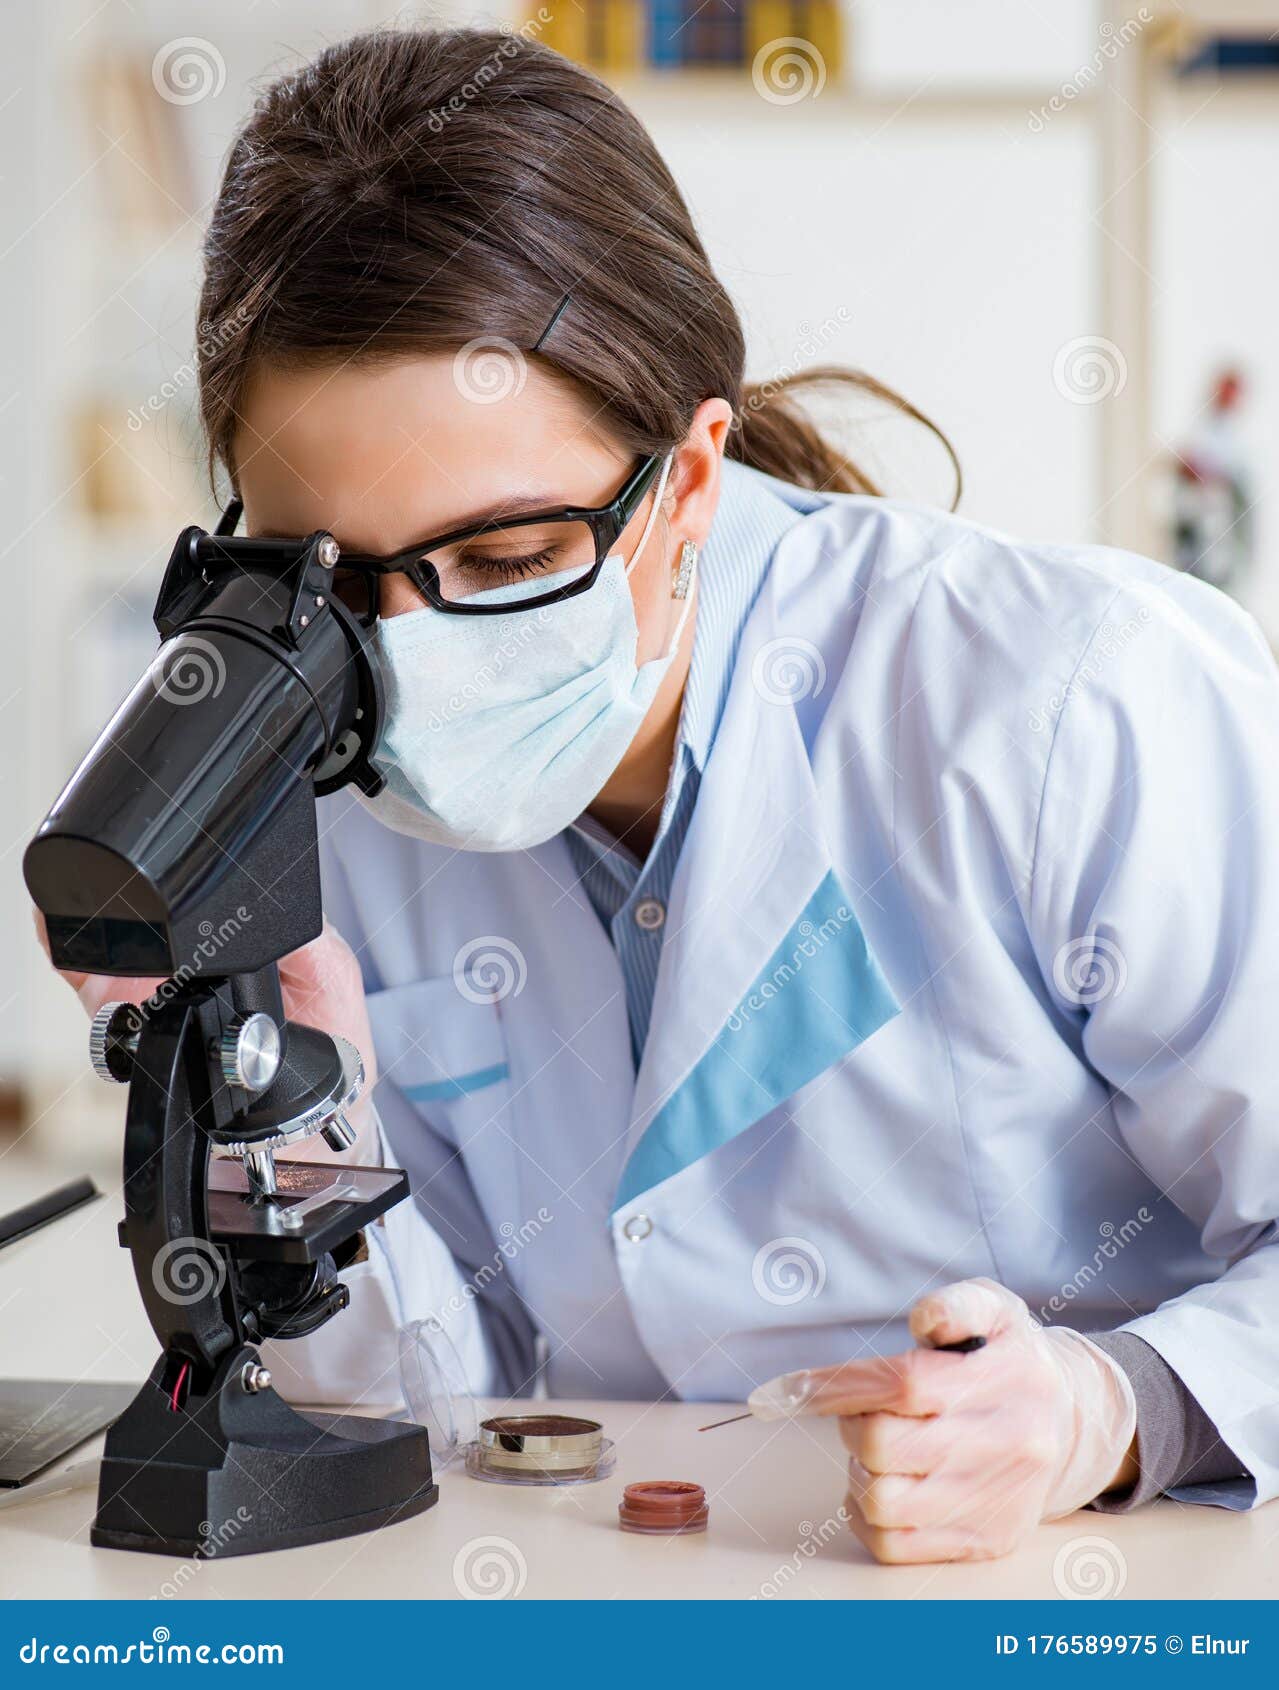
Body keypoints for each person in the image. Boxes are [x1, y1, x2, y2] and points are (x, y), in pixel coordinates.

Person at [47, 27, 1275, 1563]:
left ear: (687, 481)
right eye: (336, 584)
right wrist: (299, 1122)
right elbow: (436, 1410)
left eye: (501, 562)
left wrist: (1112, 1408)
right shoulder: (323, 783)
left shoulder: (1068, 699)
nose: (411, 658)